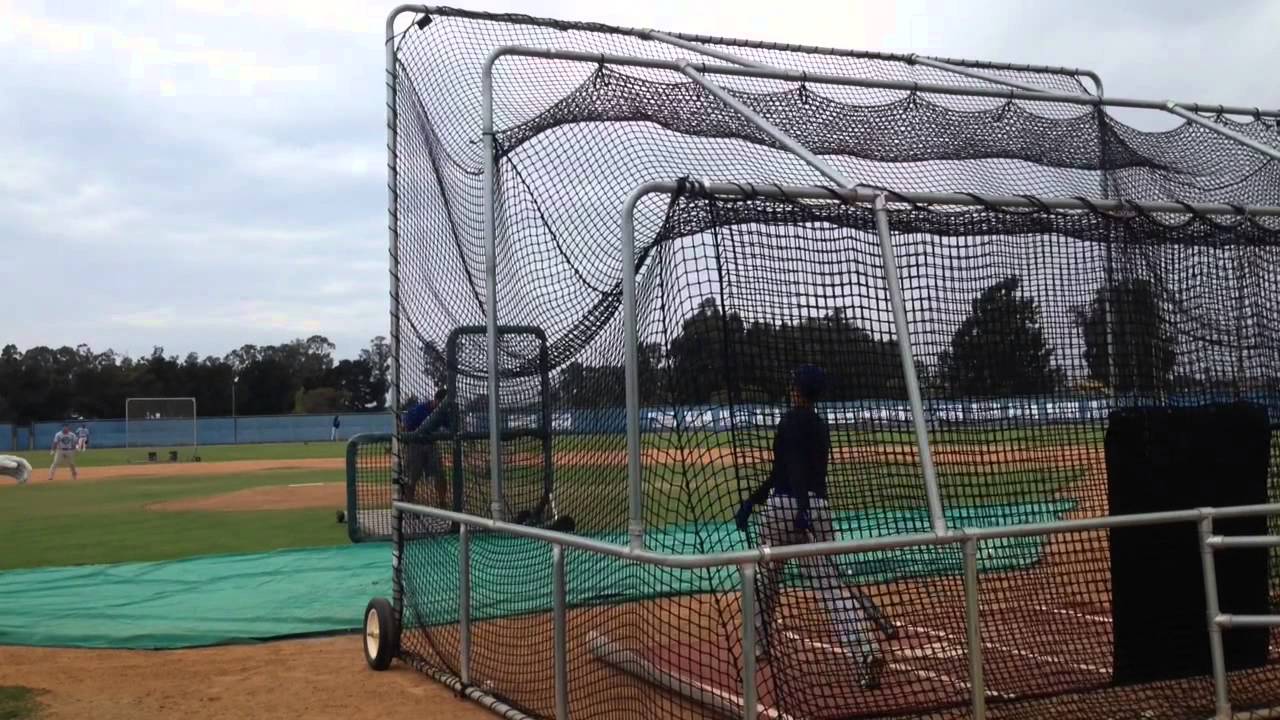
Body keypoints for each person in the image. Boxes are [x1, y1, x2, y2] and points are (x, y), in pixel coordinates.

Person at [734, 365, 885, 689]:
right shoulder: (820, 425)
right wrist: (757, 500)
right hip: (817, 508)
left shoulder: (789, 420)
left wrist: (760, 502)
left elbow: (788, 471)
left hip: (785, 508)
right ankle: (865, 650)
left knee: (764, 581)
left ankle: (758, 645)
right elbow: (796, 469)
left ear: (797, 390)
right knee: (830, 587)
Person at [402, 388, 451, 508]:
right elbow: (405, 425)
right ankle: (409, 504)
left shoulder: (444, 413)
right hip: (416, 445)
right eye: (440, 403)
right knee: (411, 476)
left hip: (431, 444)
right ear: (436, 400)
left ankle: (442, 502)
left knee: (440, 475)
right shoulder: (419, 410)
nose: (441, 407)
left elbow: (450, 426)